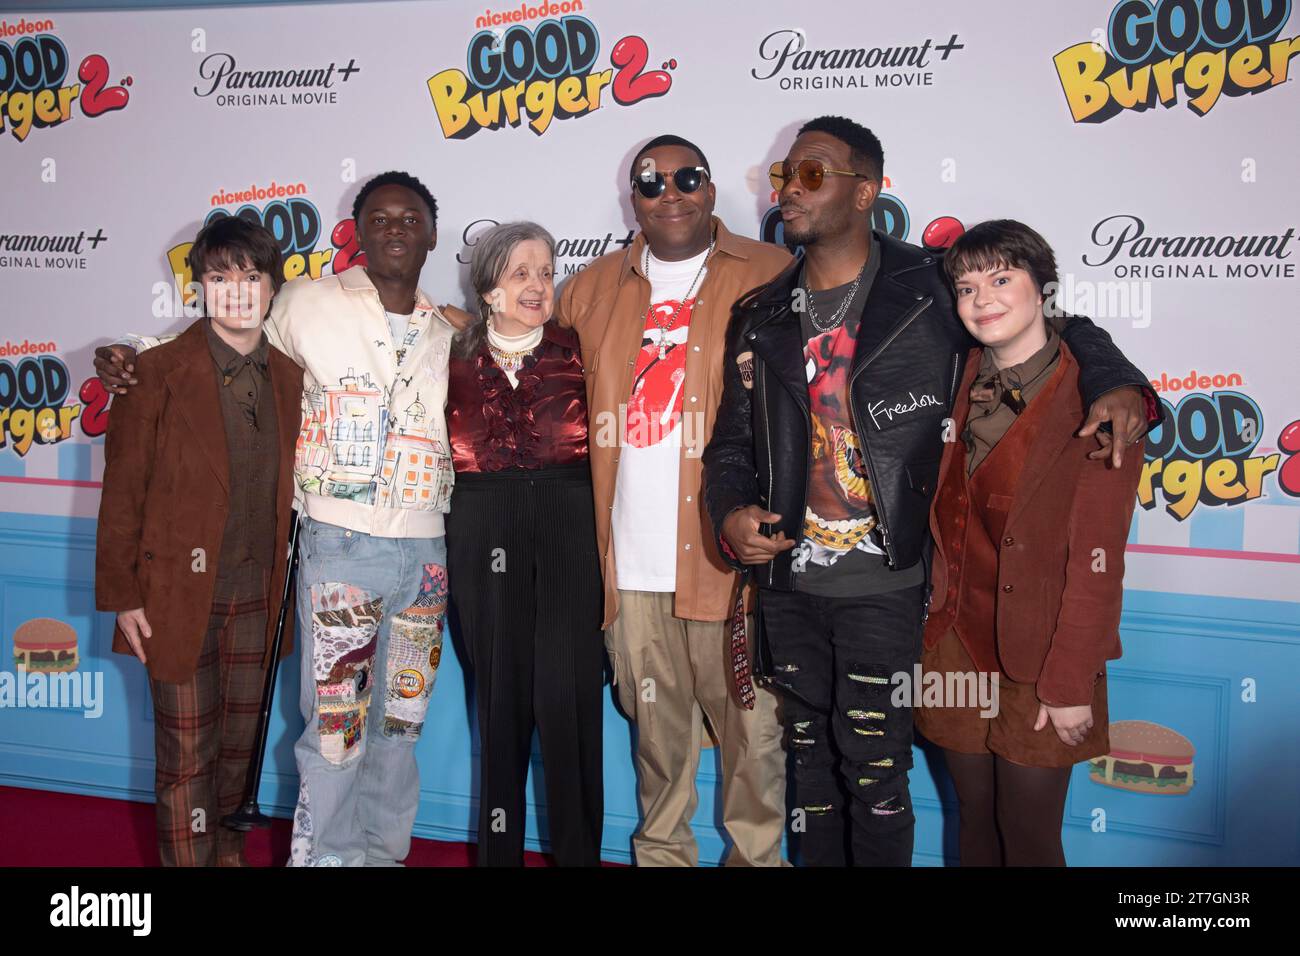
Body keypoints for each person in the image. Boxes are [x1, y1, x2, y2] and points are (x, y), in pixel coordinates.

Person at [703, 116, 1158, 867]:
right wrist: (729, 510)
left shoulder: (933, 289)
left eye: (813, 174)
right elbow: (728, 445)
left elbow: (1051, 324)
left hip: (894, 583)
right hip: (789, 586)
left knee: (878, 776)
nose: (790, 189)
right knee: (809, 774)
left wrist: (1117, 380)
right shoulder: (759, 316)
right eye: (784, 175)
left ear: (867, 192)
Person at [94, 171, 457, 867]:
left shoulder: (409, 337)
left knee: (319, 739)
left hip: (348, 576)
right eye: (377, 217)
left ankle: (317, 856)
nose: (394, 230)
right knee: (263, 745)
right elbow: (131, 480)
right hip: (257, 573)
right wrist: (126, 355)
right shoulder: (271, 320)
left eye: (409, 219)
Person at [556, 135, 794, 866]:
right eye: (652, 183)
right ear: (634, 199)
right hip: (631, 570)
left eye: (687, 177)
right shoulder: (589, 288)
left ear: (712, 187)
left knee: (756, 748)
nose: (672, 194)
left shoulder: (776, 273)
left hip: (735, 566)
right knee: (658, 753)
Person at [914, 220, 1143, 866]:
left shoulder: (1103, 400)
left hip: (1045, 655)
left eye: (1001, 279)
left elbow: (1100, 561)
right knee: (975, 826)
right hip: (952, 646)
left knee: (1032, 838)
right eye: (965, 286)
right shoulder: (954, 376)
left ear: (1044, 290)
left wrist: (1070, 680)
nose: (981, 298)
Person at [95, 217, 303, 866]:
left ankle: (229, 859)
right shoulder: (153, 373)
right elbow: (123, 491)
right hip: (172, 602)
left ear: (272, 289)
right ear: (199, 288)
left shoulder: (293, 378)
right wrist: (125, 598)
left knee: (239, 753)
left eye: (251, 276)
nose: (236, 291)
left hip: (259, 599)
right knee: (186, 759)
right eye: (220, 277)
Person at [445, 222, 604, 865]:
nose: (538, 286)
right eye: (520, 273)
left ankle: (577, 857)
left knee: (568, 706)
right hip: (481, 531)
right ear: (487, 288)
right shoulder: (447, 353)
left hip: (568, 526)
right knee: (500, 704)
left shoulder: (581, 348)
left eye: (546, 271)